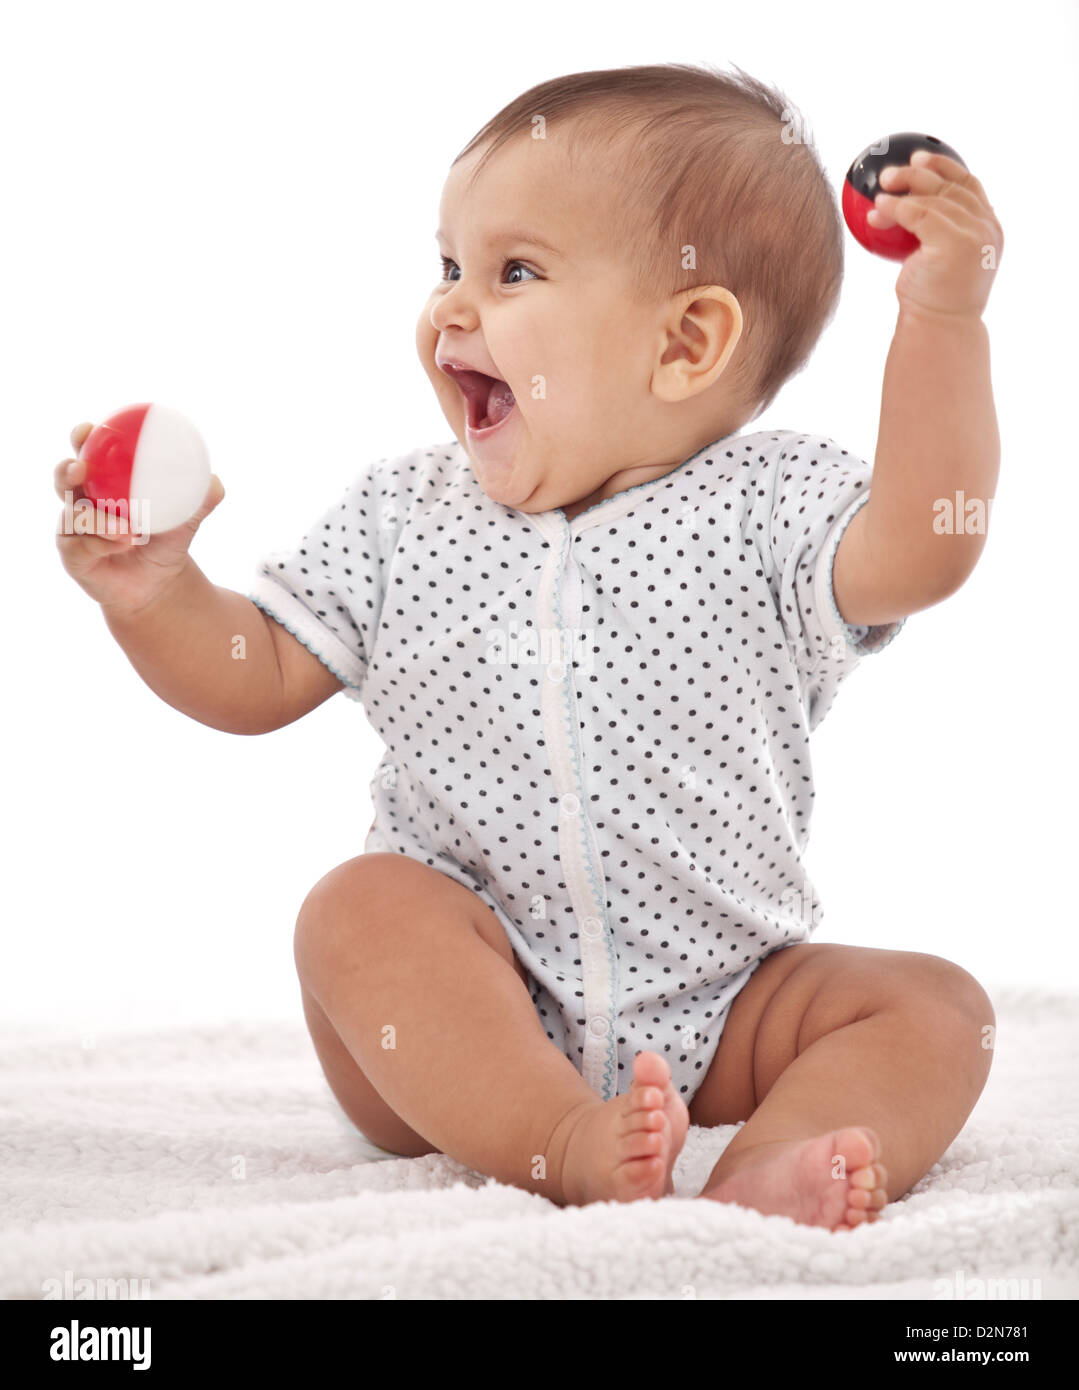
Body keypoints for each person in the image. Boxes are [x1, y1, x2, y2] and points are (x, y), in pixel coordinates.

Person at [55, 62, 1002, 1229]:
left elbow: (925, 545)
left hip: (725, 1006)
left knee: (940, 1008)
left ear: (686, 342)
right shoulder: (403, 517)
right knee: (355, 910)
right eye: (446, 266)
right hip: (459, 1017)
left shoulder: (770, 509)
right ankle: (555, 1137)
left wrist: (941, 318)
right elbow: (252, 676)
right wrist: (155, 594)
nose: (449, 308)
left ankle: (775, 1164)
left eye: (511, 272)